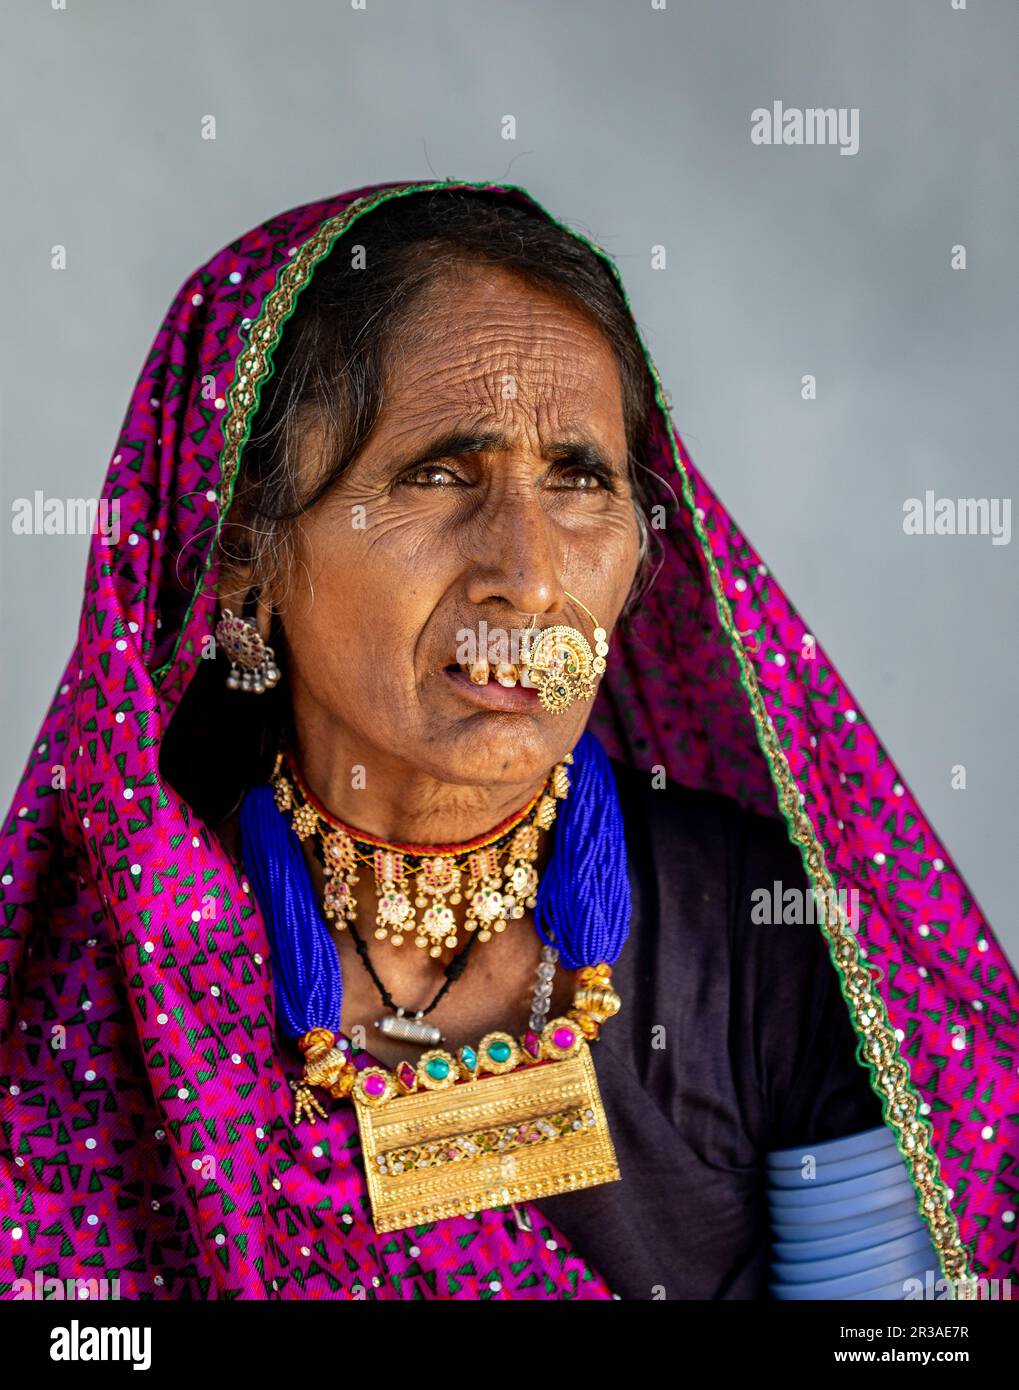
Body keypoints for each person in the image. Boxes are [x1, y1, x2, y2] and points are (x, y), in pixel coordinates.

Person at [1, 180, 1014, 1302]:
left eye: (581, 480)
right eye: (437, 473)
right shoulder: (121, 953)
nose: (529, 575)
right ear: (244, 555)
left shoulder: (757, 928)